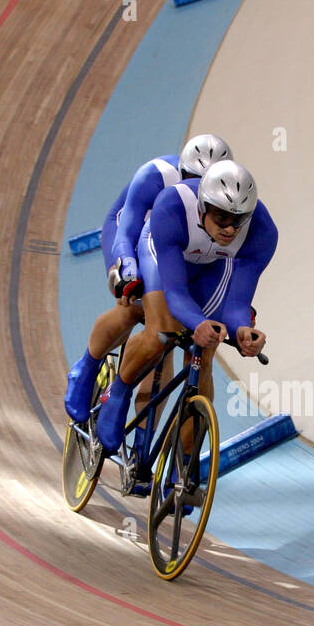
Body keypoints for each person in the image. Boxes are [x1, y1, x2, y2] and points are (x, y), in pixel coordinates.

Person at [94, 159, 277, 458]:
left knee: (203, 355)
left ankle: (183, 470)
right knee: (161, 332)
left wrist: (243, 328)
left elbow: (237, 302)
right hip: (163, 257)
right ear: (203, 207)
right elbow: (176, 294)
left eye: (238, 219)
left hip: (211, 267)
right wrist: (197, 322)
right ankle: (118, 393)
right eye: (221, 218)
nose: (230, 229)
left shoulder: (263, 232)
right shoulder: (172, 205)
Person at [64, 134, 233, 423]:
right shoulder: (155, 176)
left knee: (170, 341)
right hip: (132, 236)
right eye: (191, 180)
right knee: (136, 308)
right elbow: (125, 229)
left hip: (179, 252)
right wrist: (127, 270)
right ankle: (86, 369)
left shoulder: (226, 207)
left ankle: (142, 442)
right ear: (181, 171)